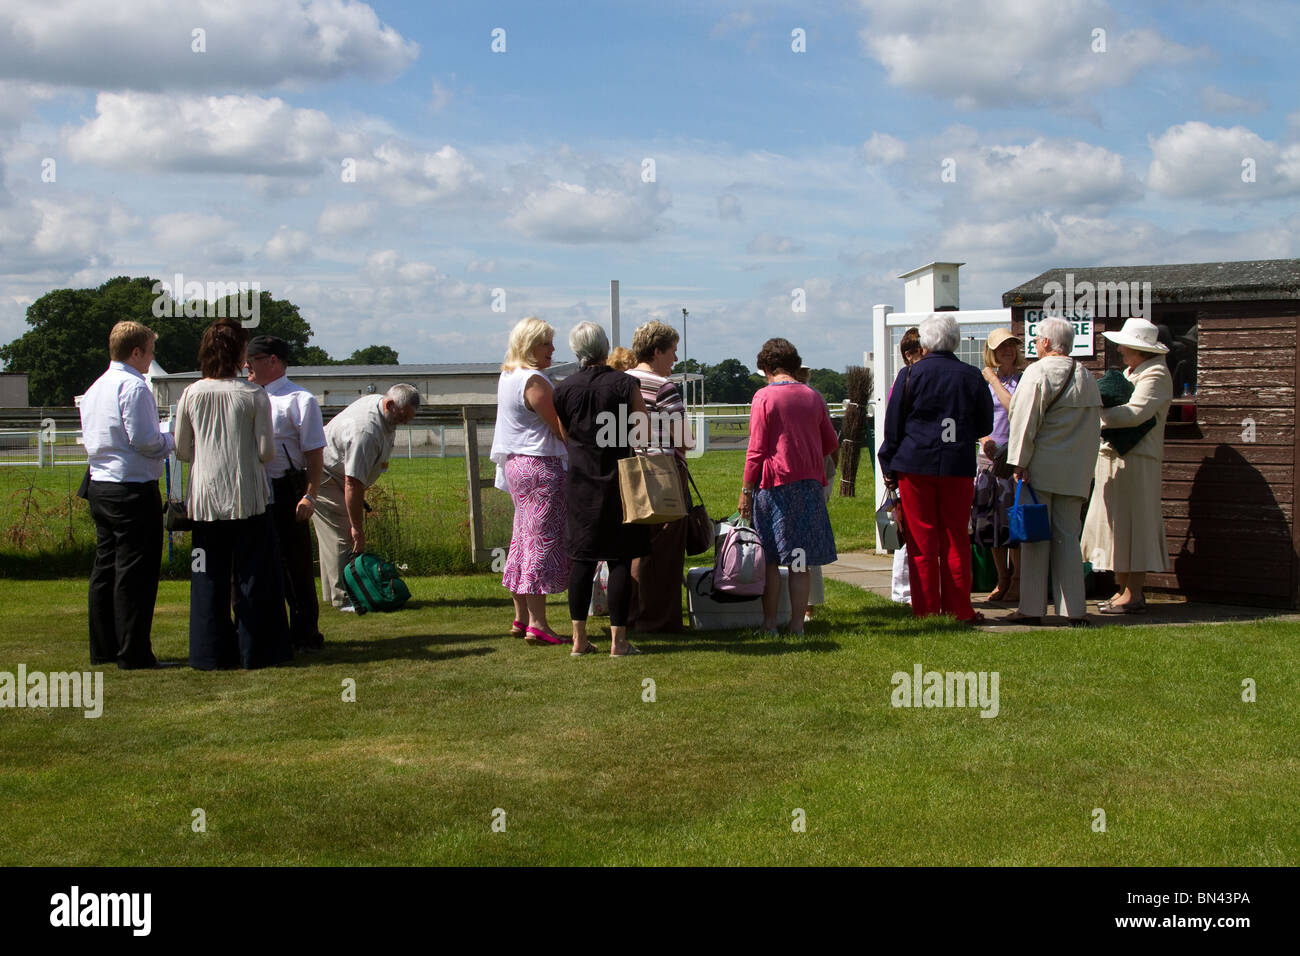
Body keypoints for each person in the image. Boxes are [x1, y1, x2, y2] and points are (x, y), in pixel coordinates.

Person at [174, 320, 292, 669]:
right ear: (240, 354)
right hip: (247, 496)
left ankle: (208, 653)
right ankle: (257, 651)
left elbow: (181, 448)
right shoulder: (254, 395)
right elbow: (266, 451)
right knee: (254, 575)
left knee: (207, 576)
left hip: (205, 499)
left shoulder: (191, 393)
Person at [878, 314, 993, 623]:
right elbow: (985, 424)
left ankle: (926, 610)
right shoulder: (972, 376)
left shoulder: (910, 375)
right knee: (956, 537)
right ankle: (960, 609)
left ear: (925, 342)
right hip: (957, 464)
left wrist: (888, 463)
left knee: (921, 541)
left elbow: (893, 425)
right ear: (955, 341)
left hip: (915, 465)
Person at [78, 321, 176, 669]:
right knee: (136, 573)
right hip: (131, 488)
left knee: (105, 569)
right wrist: (172, 437)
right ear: (136, 352)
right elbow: (145, 441)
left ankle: (104, 647)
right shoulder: (134, 387)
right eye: (150, 352)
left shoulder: (95, 388)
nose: (151, 359)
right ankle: (133, 652)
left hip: (100, 483)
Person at [552, 321, 651, 657]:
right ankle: (618, 642)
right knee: (620, 559)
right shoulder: (625, 383)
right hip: (619, 481)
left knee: (581, 560)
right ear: (605, 347)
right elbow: (642, 431)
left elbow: (565, 435)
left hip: (581, 482)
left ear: (575, 350)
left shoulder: (563, 390)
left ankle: (578, 640)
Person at [1003, 316, 1102, 626]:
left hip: (1041, 470)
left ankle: (1032, 608)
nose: (1035, 345)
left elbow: (1024, 420)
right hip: (1075, 471)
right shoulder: (1086, 375)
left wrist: (1019, 462)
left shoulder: (1038, 372)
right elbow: (1093, 428)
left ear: (1046, 342)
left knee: (1035, 540)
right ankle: (1074, 610)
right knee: (1068, 540)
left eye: (1036, 340)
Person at [737, 338, 839, 635]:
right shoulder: (813, 396)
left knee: (770, 560)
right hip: (808, 486)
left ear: (768, 367)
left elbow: (756, 450)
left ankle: (769, 624)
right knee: (799, 561)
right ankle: (797, 625)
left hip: (774, 486)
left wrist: (746, 490)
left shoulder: (764, 397)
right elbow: (830, 442)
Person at [1081, 318, 1174, 615]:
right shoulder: (1131, 372)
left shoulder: (1156, 373)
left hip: (1137, 461)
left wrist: (1094, 416)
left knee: (1135, 524)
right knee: (1116, 527)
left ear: (1139, 348)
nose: (1120, 349)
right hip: (1112, 457)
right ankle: (1122, 590)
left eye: (1125, 345)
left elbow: (1135, 414)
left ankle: (1134, 594)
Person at [489, 317, 570, 645]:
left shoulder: (508, 375)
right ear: (529, 345)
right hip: (540, 466)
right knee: (541, 542)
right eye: (545, 343)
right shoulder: (534, 380)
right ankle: (538, 623)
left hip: (516, 466)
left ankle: (521, 617)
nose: (552, 349)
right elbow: (558, 427)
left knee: (522, 539)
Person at [245, 335, 327, 652]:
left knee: (295, 565)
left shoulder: (299, 399)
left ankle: (305, 633)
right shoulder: (248, 396)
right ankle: (269, 631)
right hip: (253, 488)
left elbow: (314, 453)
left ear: (273, 361)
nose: (247, 367)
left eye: (253, 360)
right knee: (260, 563)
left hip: (285, 488)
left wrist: (311, 495)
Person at [312, 384, 420, 610]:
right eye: (403, 416)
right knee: (344, 536)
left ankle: (334, 595)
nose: (404, 422)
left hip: (338, 475)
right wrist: (357, 528)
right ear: (389, 404)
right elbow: (353, 482)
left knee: (335, 538)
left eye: (409, 418)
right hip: (325, 476)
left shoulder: (383, 410)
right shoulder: (366, 432)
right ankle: (346, 598)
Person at [626, 320, 694, 634]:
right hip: (662, 473)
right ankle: (660, 619)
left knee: (634, 549)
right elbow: (684, 438)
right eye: (672, 351)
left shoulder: (622, 381)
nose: (675, 359)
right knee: (666, 551)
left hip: (628, 473)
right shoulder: (663, 386)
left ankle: (631, 613)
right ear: (657, 351)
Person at [975, 328, 1027, 603]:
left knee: (1013, 521)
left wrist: (994, 379)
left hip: (1014, 457)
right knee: (992, 523)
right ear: (991, 352)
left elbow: (1014, 408)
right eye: (1001, 347)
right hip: (988, 459)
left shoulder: (1023, 380)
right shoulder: (983, 384)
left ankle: (1018, 579)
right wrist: (984, 439)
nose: (1007, 351)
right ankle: (1002, 578)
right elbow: (976, 418)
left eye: (1011, 346)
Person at [794, 365, 834, 621]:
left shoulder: (809, 398)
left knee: (801, 542)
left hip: (806, 476)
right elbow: (831, 443)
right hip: (819, 474)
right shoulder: (816, 397)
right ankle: (806, 603)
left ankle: (803, 604)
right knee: (806, 542)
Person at [889, 328, 921, 605]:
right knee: (906, 530)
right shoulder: (905, 382)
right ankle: (902, 591)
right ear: (910, 354)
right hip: (906, 464)